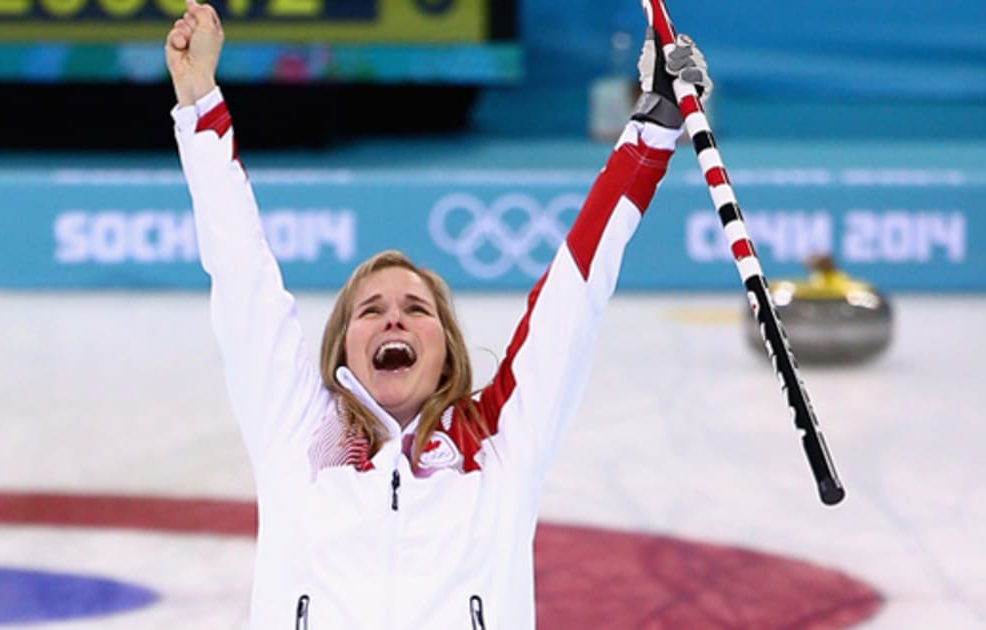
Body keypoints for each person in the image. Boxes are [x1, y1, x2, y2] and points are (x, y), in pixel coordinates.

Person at [165, 2, 711, 627]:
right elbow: (240, 269)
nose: (393, 319)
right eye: (370, 310)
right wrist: (197, 98)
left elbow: (574, 290)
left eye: (415, 308)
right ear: (341, 346)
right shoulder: (295, 427)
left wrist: (654, 128)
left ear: (447, 346)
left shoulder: (500, 439)